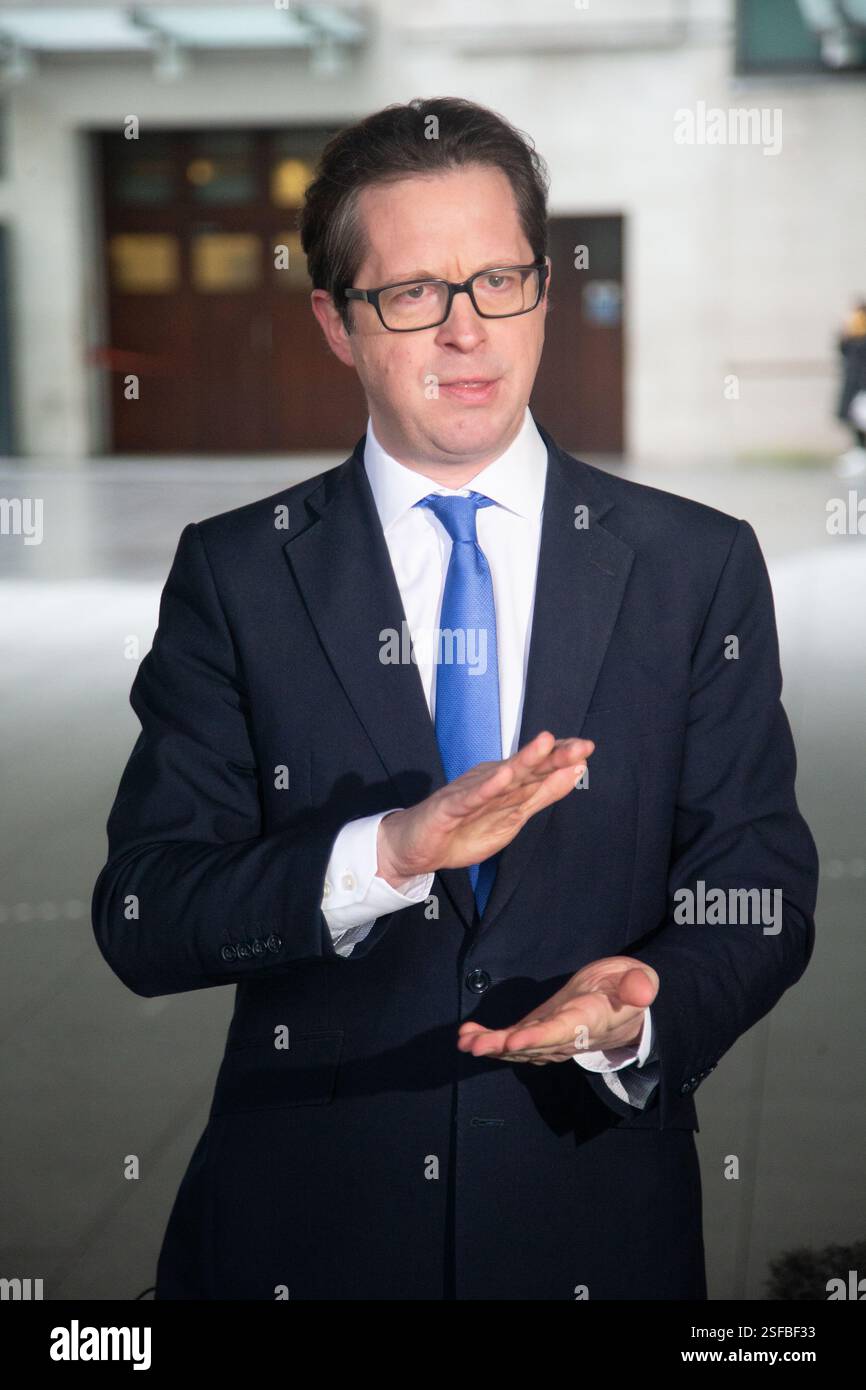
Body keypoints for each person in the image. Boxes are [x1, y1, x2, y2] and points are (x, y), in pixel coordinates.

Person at [91, 97, 819, 1301]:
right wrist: (385, 852)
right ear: (335, 320)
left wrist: (647, 1009)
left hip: (592, 1213)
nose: (466, 332)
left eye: (496, 280)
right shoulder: (236, 572)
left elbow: (760, 880)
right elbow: (142, 911)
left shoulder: (695, 566)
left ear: (541, 285)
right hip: (304, 1230)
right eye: (413, 293)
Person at [834, 300, 866, 477]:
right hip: (853, 388)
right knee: (855, 422)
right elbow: (843, 348)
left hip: (862, 389)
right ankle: (859, 452)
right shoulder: (851, 338)